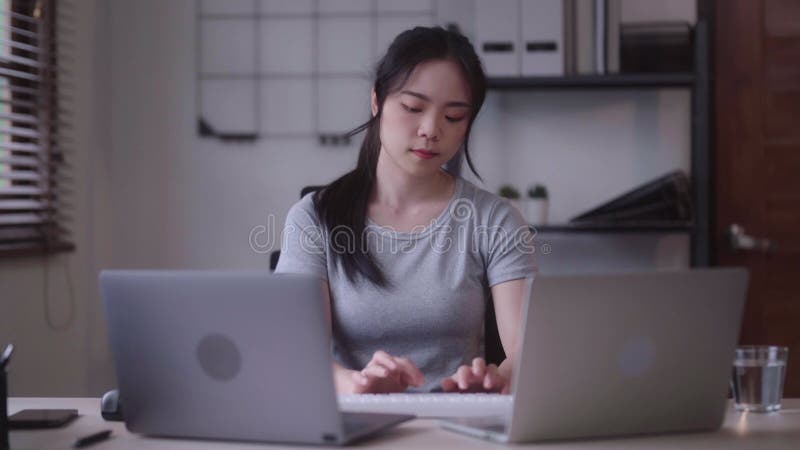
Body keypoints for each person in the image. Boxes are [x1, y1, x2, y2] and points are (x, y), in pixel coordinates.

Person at [275, 26, 536, 394]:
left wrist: (496, 381)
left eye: (454, 116)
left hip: (456, 424)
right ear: (377, 101)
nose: (430, 130)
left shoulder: (494, 220)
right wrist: (360, 384)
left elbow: (528, 353)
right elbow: (296, 356)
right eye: (413, 108)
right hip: (353, 425)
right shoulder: (314, 218)